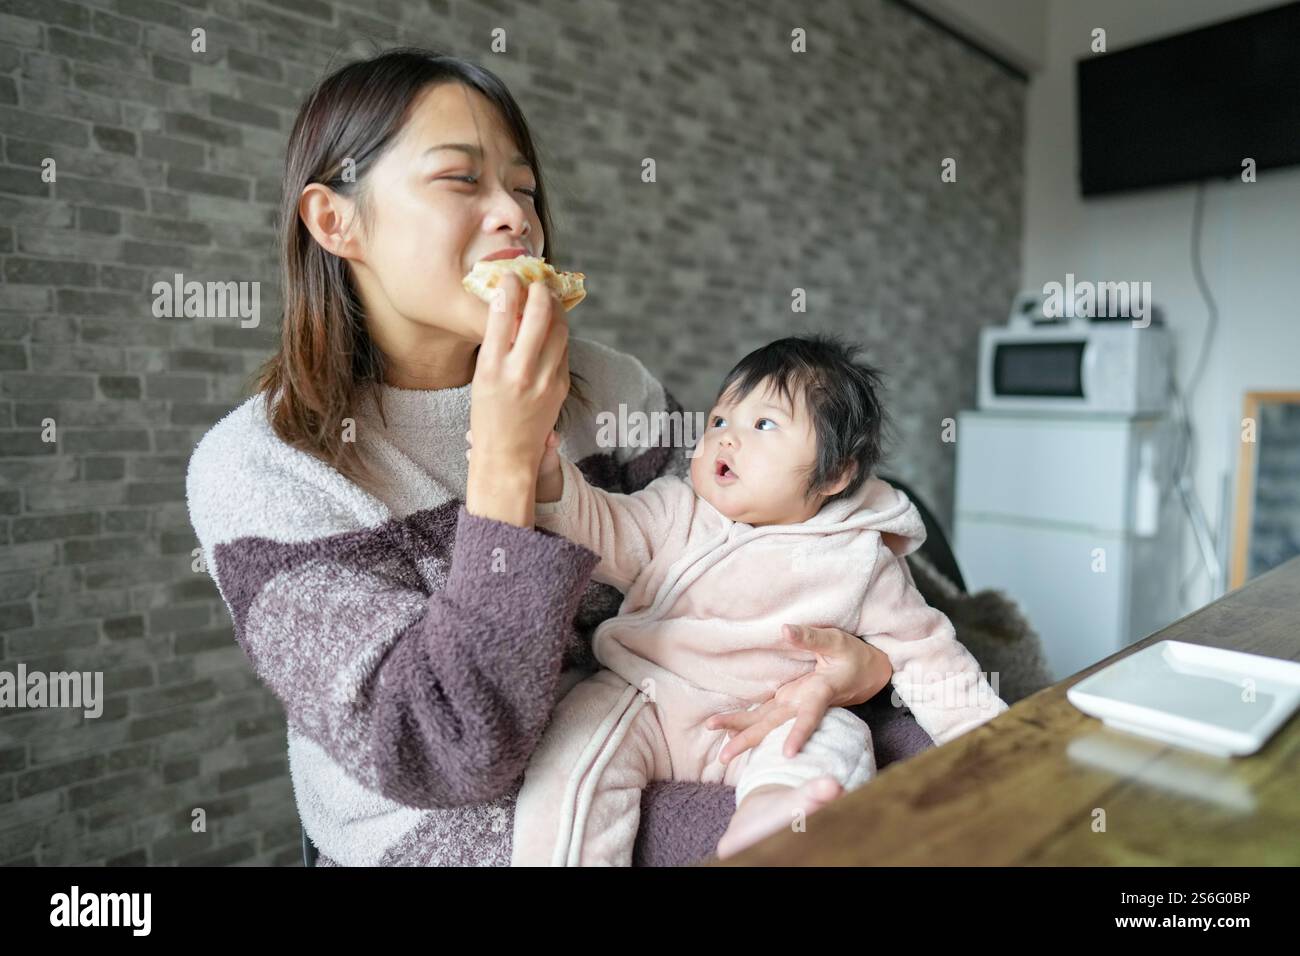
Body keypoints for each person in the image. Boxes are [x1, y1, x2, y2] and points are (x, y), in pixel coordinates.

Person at [185, 48, 923, 866]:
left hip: (660, 737)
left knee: (934, 771)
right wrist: (503, 461)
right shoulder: (262, 469)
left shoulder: (610, 386)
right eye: (462, 180)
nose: (514, 217)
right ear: (335, 222)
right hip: (456, 827)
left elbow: (747, 559)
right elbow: (449, 751)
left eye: (525, 190)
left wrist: (869, 664)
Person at [508, 336, 1007, 865]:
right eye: (720, 420)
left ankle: (772, 819)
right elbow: (603, 529)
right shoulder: (677, 508)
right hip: (649, 699)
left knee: (835, 739)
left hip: (770, 714)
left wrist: (993, 743)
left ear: (835, 473)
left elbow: (926, 654)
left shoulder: (858, 558)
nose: (727, 439)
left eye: (764, 425)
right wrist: (547, 479)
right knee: (573, 757)